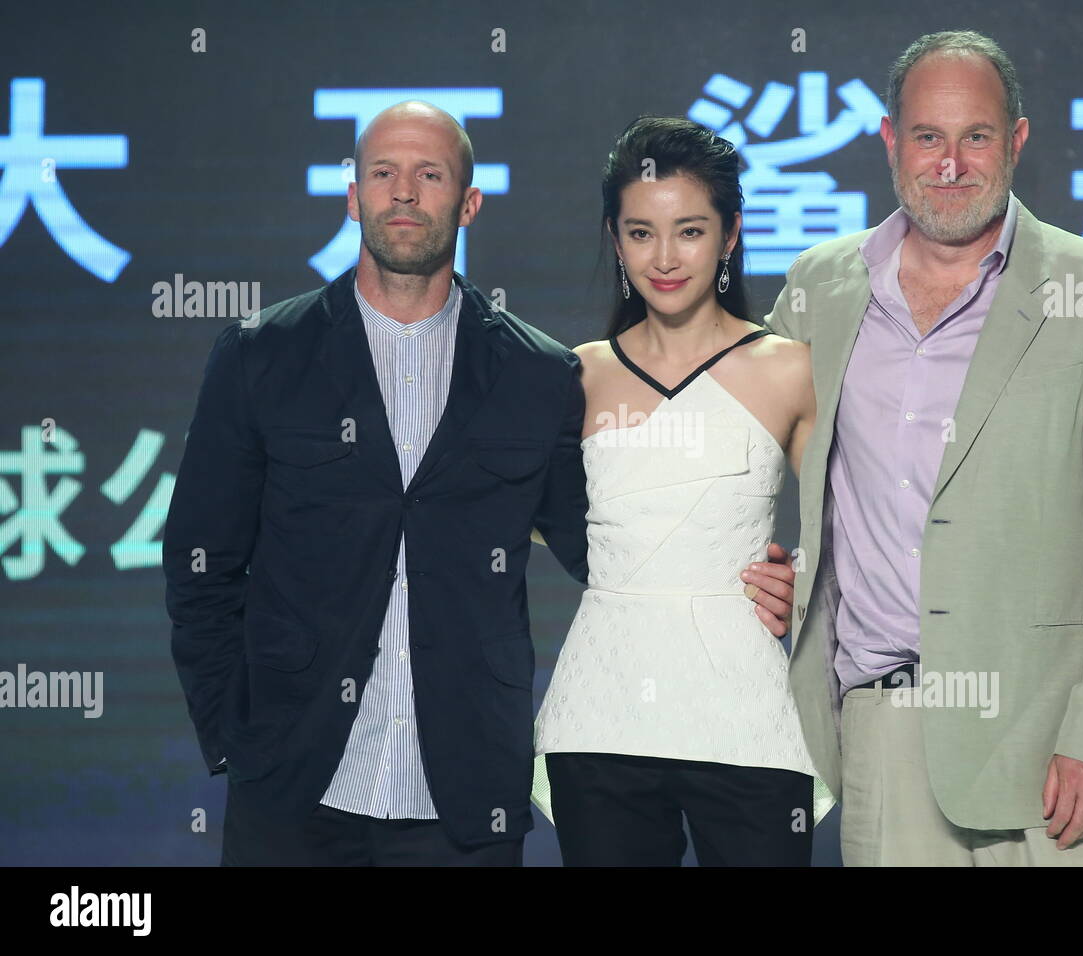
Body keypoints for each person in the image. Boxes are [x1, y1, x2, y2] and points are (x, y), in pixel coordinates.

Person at [163, 101, 787, 866]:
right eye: (383, 173)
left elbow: (609, 542)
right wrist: (234, 735)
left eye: (429, 175)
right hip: (294, 792)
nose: (403, 192)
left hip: (464, 800)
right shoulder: (263, 355)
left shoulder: (536, 373)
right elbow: (201, 561)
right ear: (351, 195)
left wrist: (744, 577)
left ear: (469, 202)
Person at [750, 31, 1083, 865]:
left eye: (976, 136)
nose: (950, 164)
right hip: (883, 731)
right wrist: (765, 572)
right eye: (927, 137)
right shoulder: (820, 286)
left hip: (1051, 743)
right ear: (889, 140)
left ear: (1016, 140)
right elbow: (746, 455)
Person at [531, 116, 835, 867]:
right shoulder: (575, 374)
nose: (664, 258)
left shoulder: (788, 367)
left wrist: (802, 583)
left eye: (690, 231)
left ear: (730, 234)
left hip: (747, 709)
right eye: (641, 233)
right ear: (616, 239)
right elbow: (509, 512)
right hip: (601, 714)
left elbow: (863, 521)